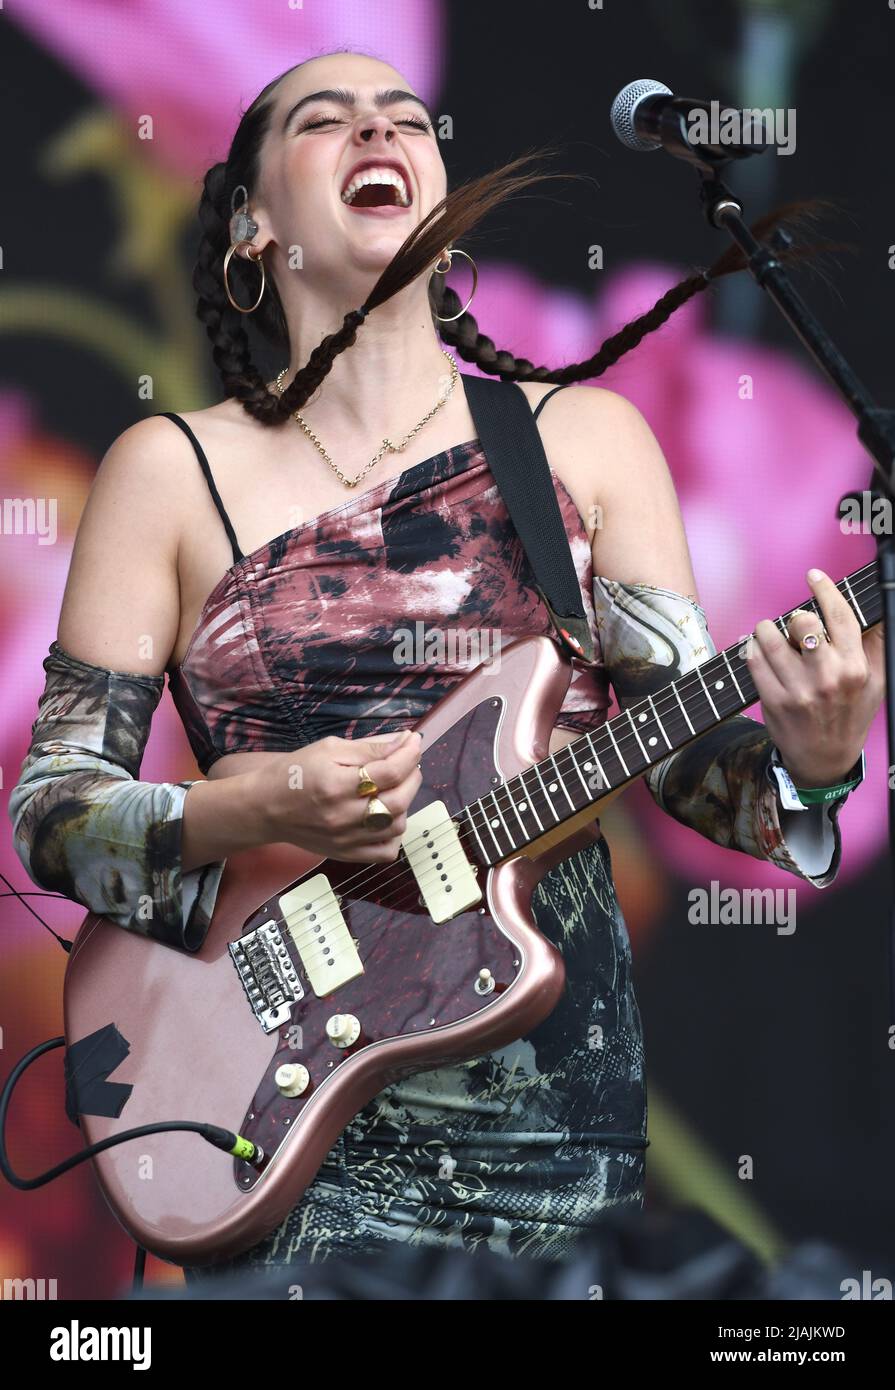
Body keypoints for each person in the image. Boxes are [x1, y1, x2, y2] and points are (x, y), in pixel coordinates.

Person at [8, 51, 883, 1278]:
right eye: (327, 120)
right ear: (251, 225)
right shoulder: (168, 469)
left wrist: (816, 764)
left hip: (549, 1109)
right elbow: (53, 818)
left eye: (406, 118)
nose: (380, 129)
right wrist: (249, 805)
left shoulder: (581, 438)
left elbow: (683, 760)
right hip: (275, 1104)